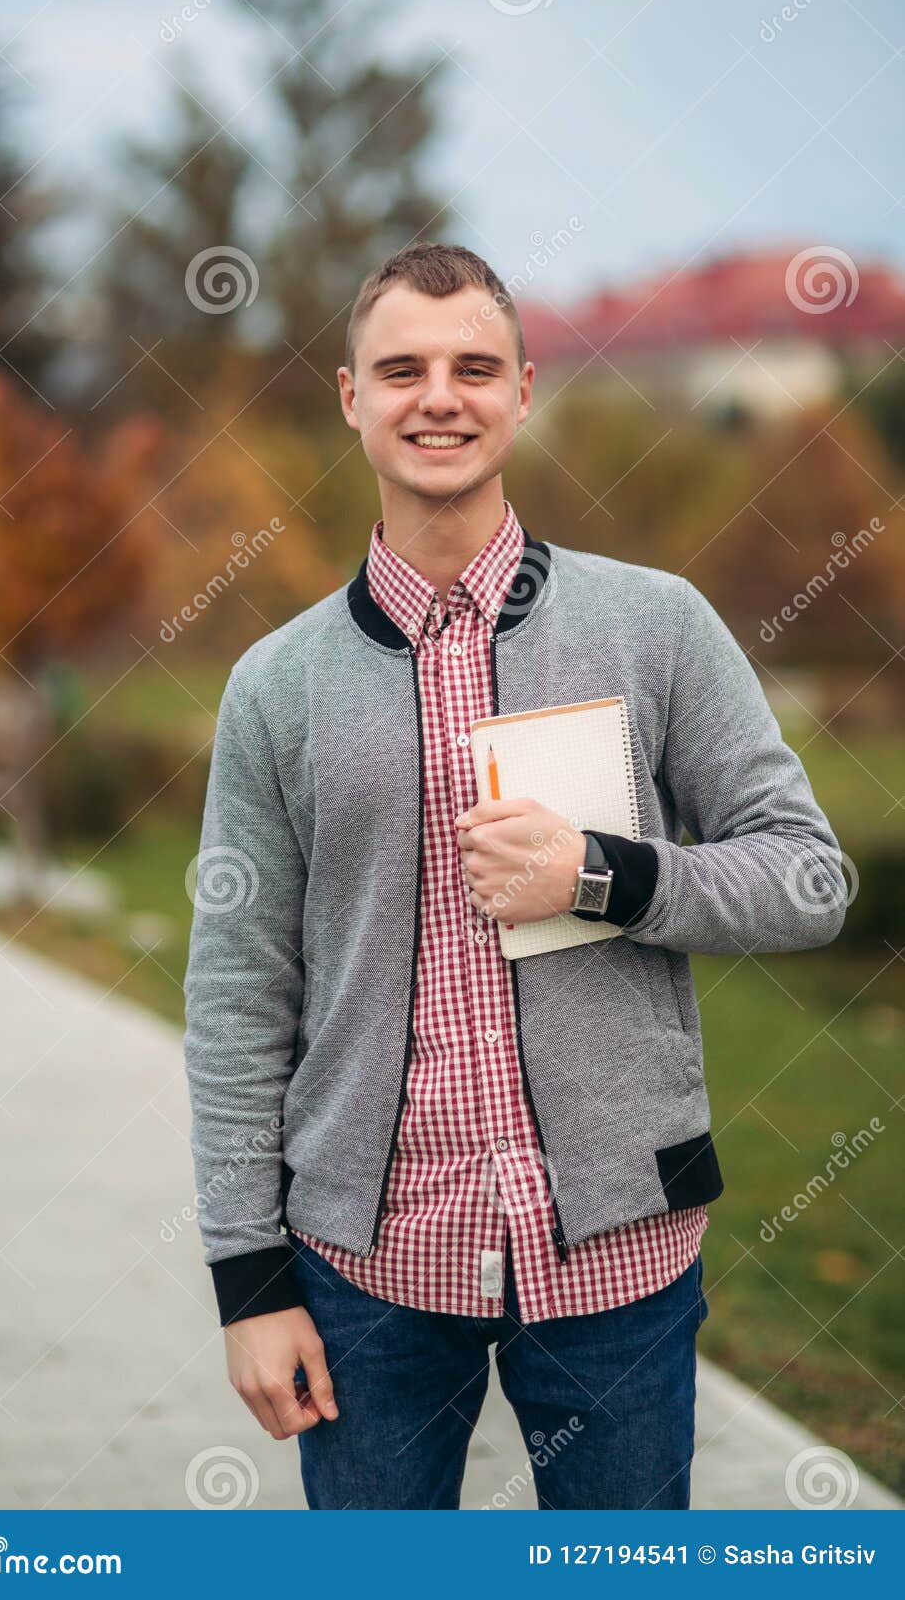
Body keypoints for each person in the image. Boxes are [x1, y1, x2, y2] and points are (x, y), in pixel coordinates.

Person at [182, 243, 848, 1510]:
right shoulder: (275, 685)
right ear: (350, 397)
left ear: (524, 390)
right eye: (403, 370)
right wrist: (248, 1281)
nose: (439, 396)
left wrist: (601, 874)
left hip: (614, 1264)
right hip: (368, 1271)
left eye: (473, 366)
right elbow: (234, 993)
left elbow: (808, 880)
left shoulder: (654, 626)